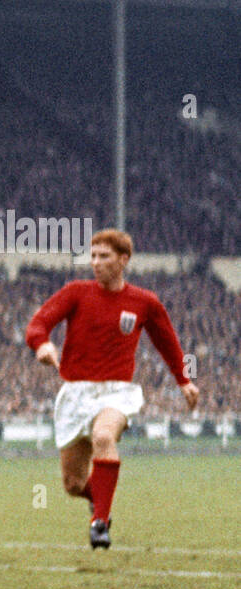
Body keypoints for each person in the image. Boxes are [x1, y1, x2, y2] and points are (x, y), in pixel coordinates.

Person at [25, 229, 199, 549]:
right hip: (76, 392)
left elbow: (168, 343)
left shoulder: (144, 302)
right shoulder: (76, 292)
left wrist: (184, 380)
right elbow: (39, 323)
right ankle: (98, 500)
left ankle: (99, 524)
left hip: (117, 392)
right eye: (92, 256)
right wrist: (42, 345)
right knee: (73, 484)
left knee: (104, 437)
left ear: (123, 260)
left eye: (103, 256)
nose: (96, 262)